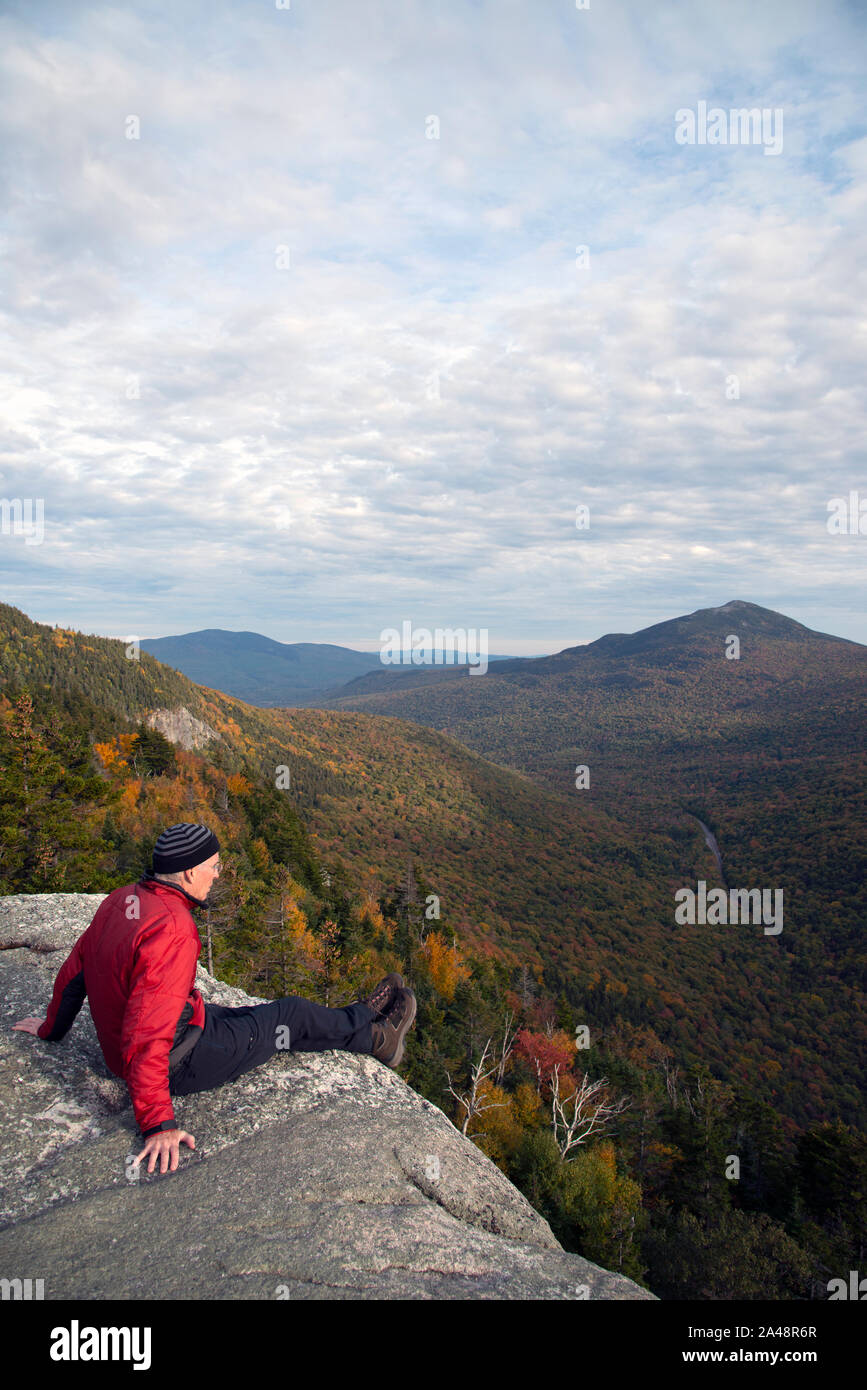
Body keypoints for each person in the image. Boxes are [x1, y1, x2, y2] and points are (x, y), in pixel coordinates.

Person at [12, 822, 416, 1176]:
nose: (218, 875)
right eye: (214, 866)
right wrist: (157, 1123)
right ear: (189, 872)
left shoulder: (122, 900)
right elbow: (147, 1033)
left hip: (168, 1036)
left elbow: (74, 974)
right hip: (176, 1062)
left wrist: (51, 1029)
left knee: (259, 1018)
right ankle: (376, 1036)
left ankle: (362, 1016)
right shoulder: (173, 927)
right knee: (289, 1016)